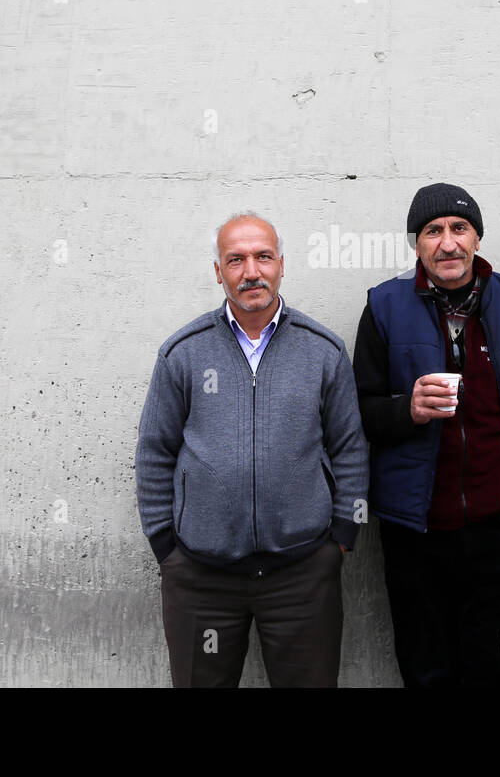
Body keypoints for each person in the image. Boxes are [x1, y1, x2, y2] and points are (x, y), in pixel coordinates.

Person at [352, 183, 500, 687]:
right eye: (433, 231)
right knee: (428, 668)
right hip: (417, 530)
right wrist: (407, 410)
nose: (447, 243)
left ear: (477, 238)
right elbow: (360, 413)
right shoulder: (384, 308)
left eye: (459, 228)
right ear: (417, 245)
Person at [135, 212, 368, 687]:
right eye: (235, 260)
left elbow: (350, 448)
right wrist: (167, 546)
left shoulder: (323, 350)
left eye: (263, 256)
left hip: (302, 574)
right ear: (219, 272)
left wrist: (342, 537)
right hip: (202, 579)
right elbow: (154, 452)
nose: (251, 271)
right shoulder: (183, 352)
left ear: (282, 264)